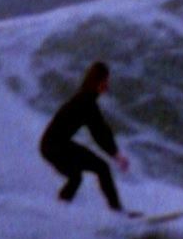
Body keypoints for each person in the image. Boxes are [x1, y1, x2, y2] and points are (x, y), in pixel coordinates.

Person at [40, 60, 126, 211]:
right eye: (105, 80)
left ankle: (59, 208)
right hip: (54, 146)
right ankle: (117, 211)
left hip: (54, 144)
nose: (107, 85)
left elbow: (99, 129)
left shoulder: (85, 98)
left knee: (76, 176)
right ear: (96, 81)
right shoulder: (86, 102)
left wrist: (114, 153)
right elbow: (99, 131)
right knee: (100, 168)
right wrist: (115, 154)